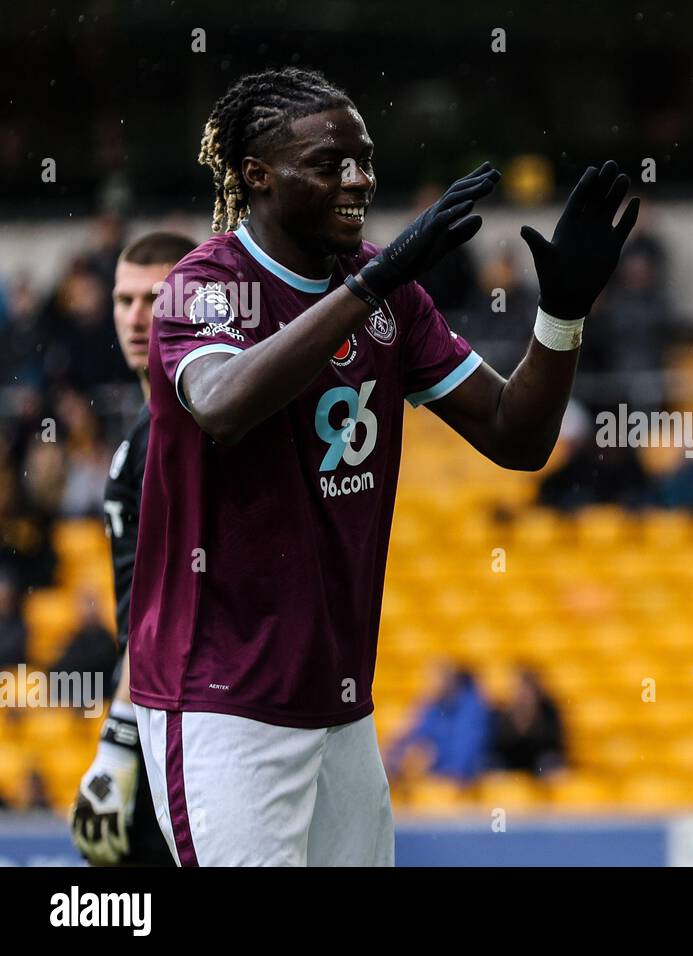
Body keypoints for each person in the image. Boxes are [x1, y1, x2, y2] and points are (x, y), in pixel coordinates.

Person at [128, 67, 637, 866]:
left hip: (338, 704)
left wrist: (562, 315)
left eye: (365, 159)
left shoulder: (387, 292)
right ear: (257, 176)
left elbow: (516, 435)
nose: (360, 179)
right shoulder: (208, 284)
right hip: (223, 702)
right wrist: (374, 281)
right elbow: (223, 403)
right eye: (331, 163)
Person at [69, 230, 196, 867]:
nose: (136, 317)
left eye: (157, 297)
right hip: (154, 711)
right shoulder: (145, 429)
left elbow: (165, 609)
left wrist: (117, 743)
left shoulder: (191, 429)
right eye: (123, 300)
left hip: (184, 719)